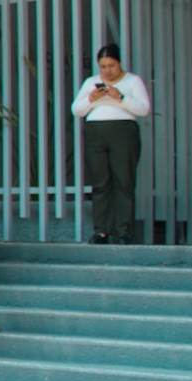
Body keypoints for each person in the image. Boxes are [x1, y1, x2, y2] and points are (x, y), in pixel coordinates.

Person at [71, 43, 151, 243]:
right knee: (100, 182)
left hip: (123, 131)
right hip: (96, 131)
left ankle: (124, 230)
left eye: (111, 66)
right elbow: (77, 110)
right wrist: (91, 99)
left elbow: (143, 109)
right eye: (103, 66)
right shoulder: (91, 81)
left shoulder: (133, 81)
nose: (107, 71)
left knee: (124, 180)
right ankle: (101, 230)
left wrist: (120, 97)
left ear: (119, 63)